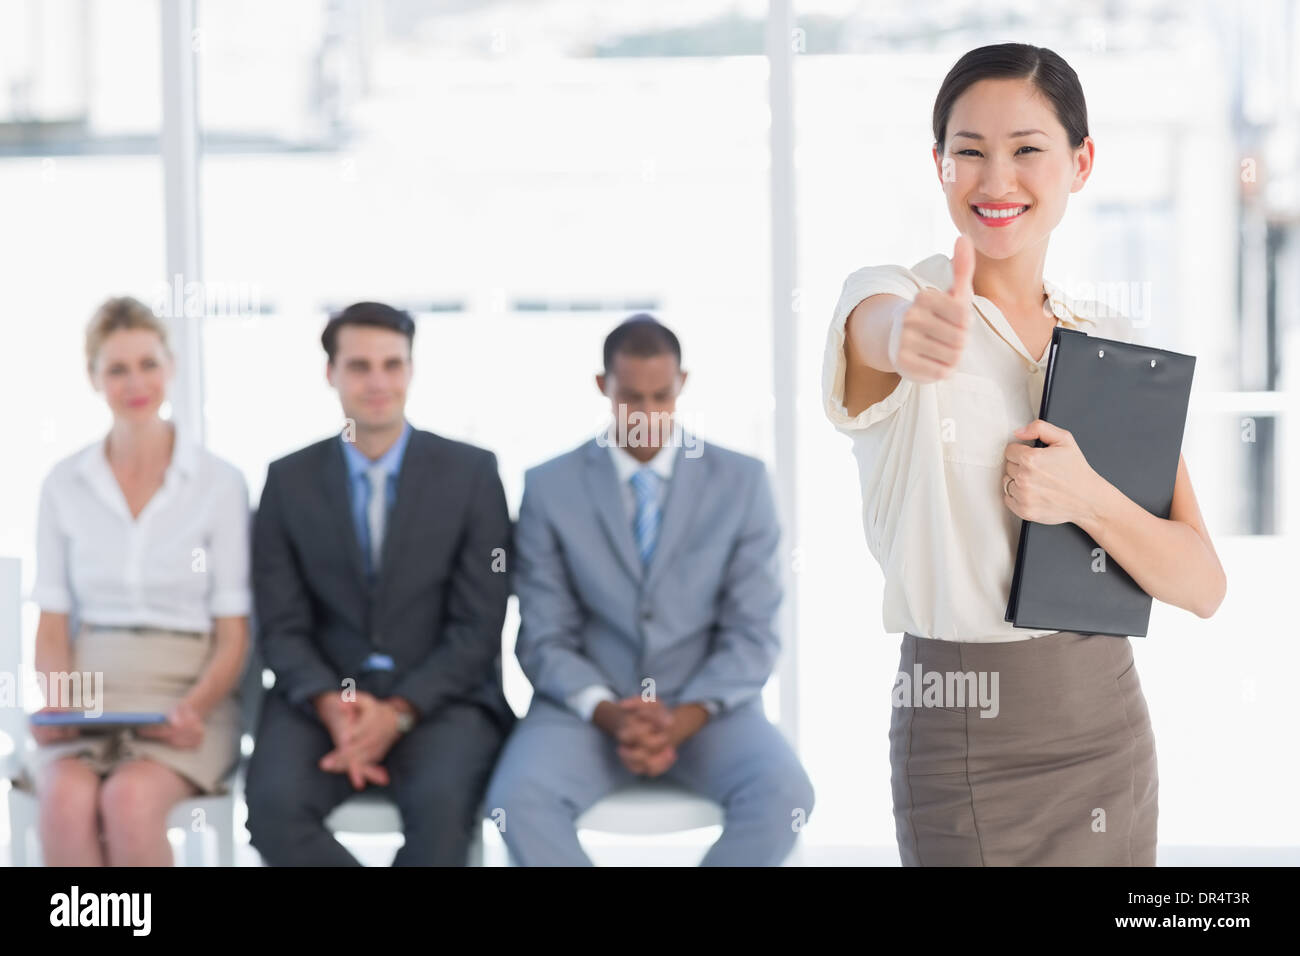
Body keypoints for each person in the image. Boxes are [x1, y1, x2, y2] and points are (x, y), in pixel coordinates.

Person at [821, 43, 1227, 866]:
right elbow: (877, 331)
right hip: (962, 724)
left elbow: (1201, 585)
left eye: (1026, 150)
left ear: (1080, 163)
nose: (995, 179)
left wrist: (1086, 498)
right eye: (967, 152)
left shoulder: (1110, 345)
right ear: (938, 167)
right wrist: (909, 339)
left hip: (1107, 720)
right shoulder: (903, 297)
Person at [485, 314, 814, 866]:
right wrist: (613, 714)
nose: (646, 415)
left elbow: (753, 632)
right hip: (585, 712)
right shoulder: (549, 486)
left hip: (708, 709)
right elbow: (544, 635)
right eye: (630, 397)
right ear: (602, 388)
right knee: (516, 801)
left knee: (786, 796)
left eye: (661, 396)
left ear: (682, 383)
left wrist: (680, 718)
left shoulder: (742, 482)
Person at [244, 301, 514, 866]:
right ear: (331, 373)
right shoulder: (287, 481)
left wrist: (396, 713)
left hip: (442, 700)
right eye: (360, 366)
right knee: (272, 806)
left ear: (411, 370)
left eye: (393, 364)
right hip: (320, 702)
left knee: (443, 813)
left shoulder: (473, 475)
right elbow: (281, 625)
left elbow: (479, 627)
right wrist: (332, 706)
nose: (378, 381)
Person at [28, 296, 251, 866]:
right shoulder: (64, 484)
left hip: (189, 692)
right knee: (64, 800)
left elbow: (234, 633)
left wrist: (194, 708)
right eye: (117, 369)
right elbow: (52, 625)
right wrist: (57, 704)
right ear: (94, 378)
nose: (136, 383)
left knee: (128, 800)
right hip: (93, 691)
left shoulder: (218, 483)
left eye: (148, 364)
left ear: (171, 367)